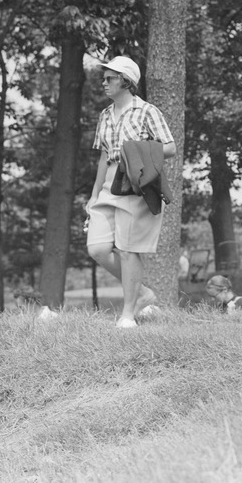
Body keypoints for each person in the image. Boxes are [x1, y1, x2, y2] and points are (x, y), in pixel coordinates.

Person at [85, 55, 176, 328]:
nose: (104, 83)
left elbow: (170, 147)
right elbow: (103, 157)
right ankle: (143, 294)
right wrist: (93, 195)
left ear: (125, 81)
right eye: (104, 78)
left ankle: (128, 314)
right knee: (98, 249)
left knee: (128, 250)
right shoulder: (104, 115)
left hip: (134, 183)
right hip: (108, 185)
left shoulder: (147, 111)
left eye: (110, 78)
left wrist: (137, 151)